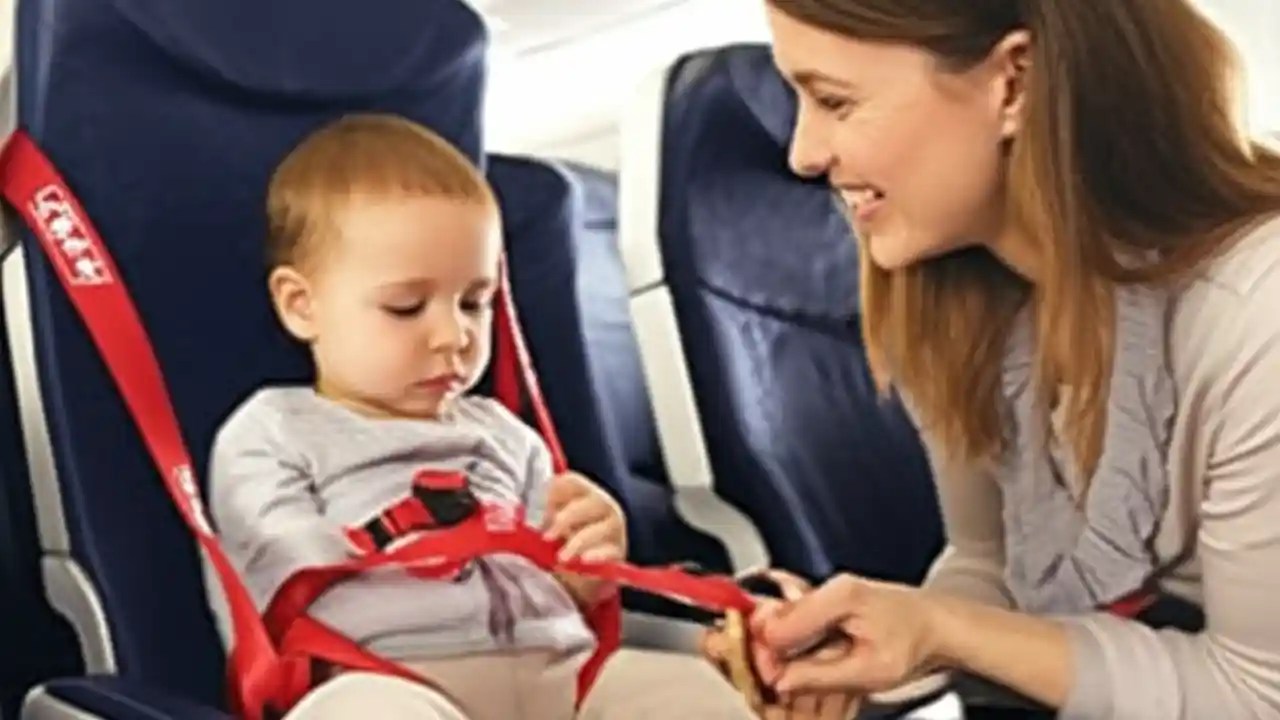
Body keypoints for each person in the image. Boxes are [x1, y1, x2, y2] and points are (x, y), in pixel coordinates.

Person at [703, 1, 1280, 718]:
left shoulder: (1259, 311)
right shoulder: (955, 300)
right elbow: (989, 564)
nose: (803, 153)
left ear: (1013, 82)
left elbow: (1260, 695)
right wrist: (872, 665)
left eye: (834, 101)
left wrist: (947, 632)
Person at [203, 113, 785, 719]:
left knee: (683, 693)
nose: (454, 335)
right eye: (406, 307)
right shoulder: (273, 430)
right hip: (386, 675)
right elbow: (276, 569)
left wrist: (588, 564)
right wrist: (429, 546)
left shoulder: (504, 434)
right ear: (303, 306)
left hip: (556, 675)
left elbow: (563, 588)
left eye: (476, 303)